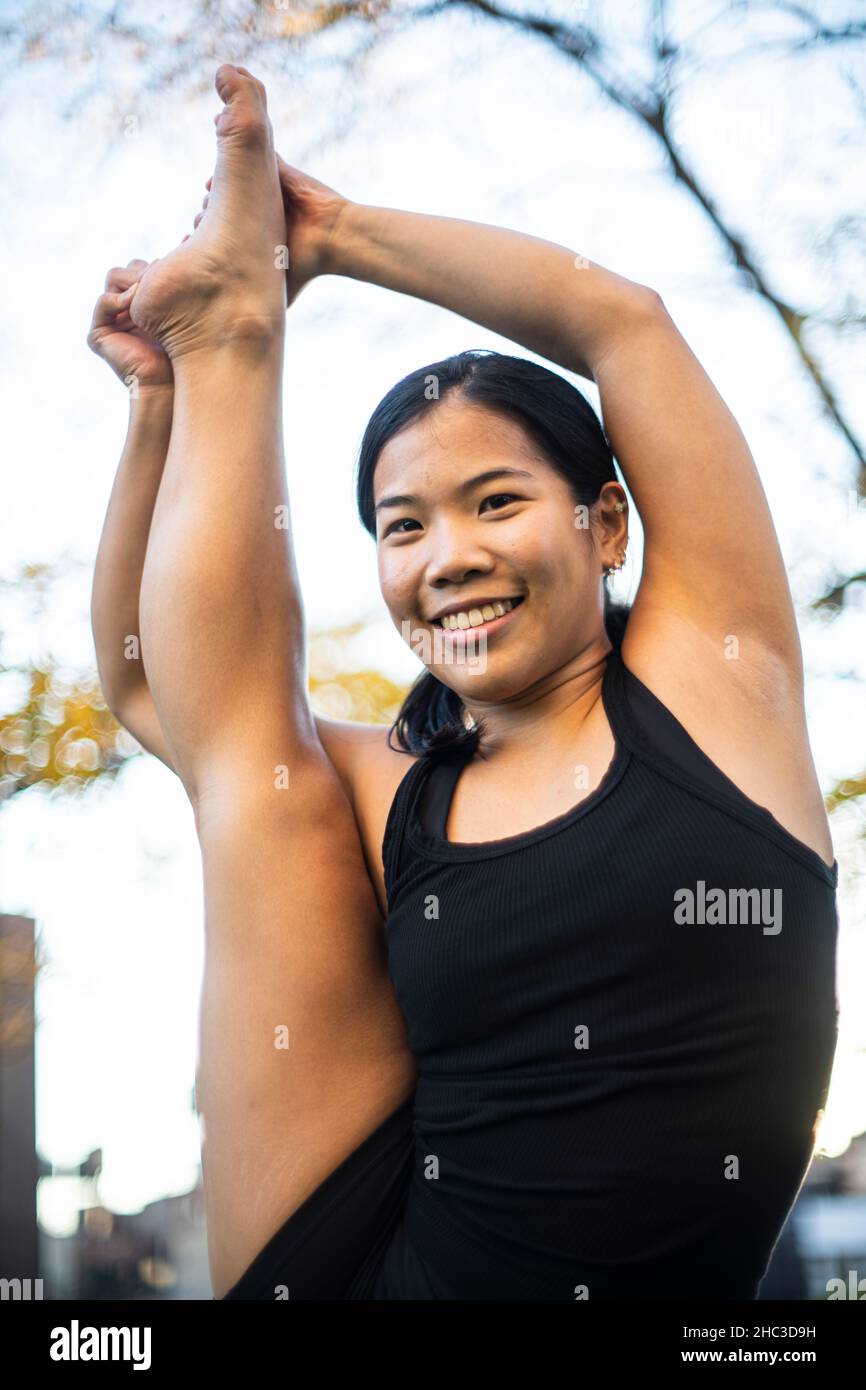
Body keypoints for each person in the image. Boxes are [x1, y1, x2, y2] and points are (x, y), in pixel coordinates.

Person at [87, 64, 839, 1300]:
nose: (448, 559)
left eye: (494, 501)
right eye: (403, 526)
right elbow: (145, 683)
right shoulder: (390, 793)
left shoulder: (720, 688)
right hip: (361, 1264)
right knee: (256, 776)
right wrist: (158, 399)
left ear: (605, 523)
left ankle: (239, 318)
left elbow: (623, 324)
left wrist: (331, 234)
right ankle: (229, 341)